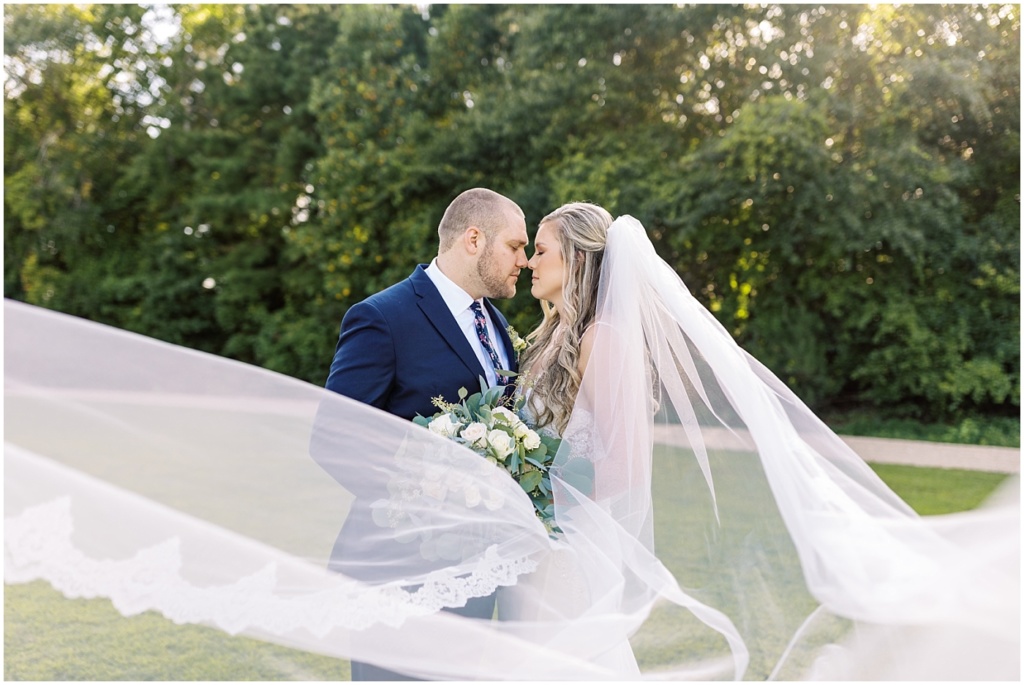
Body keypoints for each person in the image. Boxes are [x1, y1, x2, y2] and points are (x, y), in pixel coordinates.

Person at [321, 187, 529, 680]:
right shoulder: (383, 317)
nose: (523, 260)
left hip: (476, 577)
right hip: (397, 574)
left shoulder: (496, 324)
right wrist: (427, 507)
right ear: (474, 239)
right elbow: (334, 436)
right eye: (515, 246)